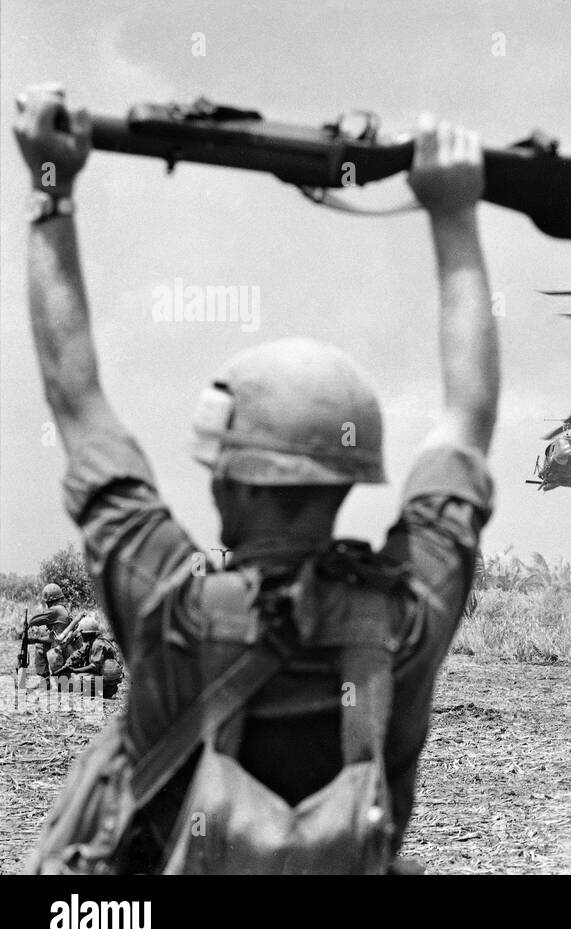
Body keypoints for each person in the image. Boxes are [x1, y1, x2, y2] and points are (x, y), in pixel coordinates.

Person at [17, 85, 498, 874]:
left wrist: (49, 190)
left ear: (228, 481)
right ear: (352, 473)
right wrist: (454, 211)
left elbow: (76, 399)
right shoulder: (406, 618)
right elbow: (468, 418)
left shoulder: (169, 605)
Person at [60, 616, 124, 699]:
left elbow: (94, 666)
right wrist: (70, 661)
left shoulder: (98, 644)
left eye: (82, 634)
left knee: (74, 679)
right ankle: (96, 691)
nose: (81, 636)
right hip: (108, 682)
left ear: (86, 634)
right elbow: (80, 653)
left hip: (106, 682)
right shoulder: (94, 642)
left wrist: (74, 670)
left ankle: (97, 690)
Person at [27, 582, 71, 675]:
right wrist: (36, 639)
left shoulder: (56, 610)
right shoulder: (62, 609)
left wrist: (27, 626)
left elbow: (33, 621)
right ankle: (48, 680)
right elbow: (52, 639)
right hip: (65, 646)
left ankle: (48, 679)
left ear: (49, 601)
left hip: (64, 649)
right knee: (41, 645)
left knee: (41, 649)